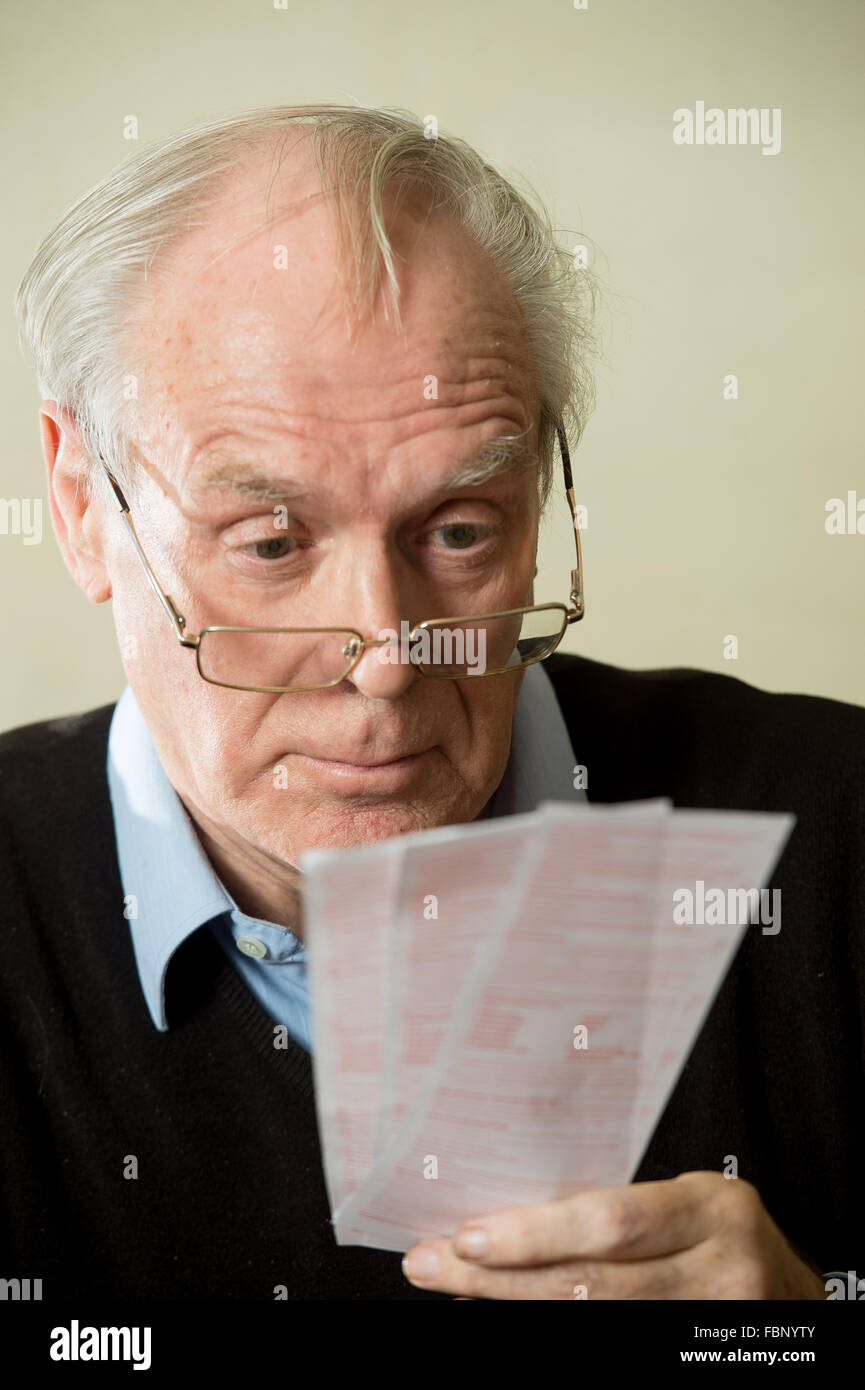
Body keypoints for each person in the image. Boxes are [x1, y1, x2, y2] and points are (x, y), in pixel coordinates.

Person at [4, 104, 861, 1300]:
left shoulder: (838, 830)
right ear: (85, 508)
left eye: (458, 531)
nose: (389, 657)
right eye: (270, 541)